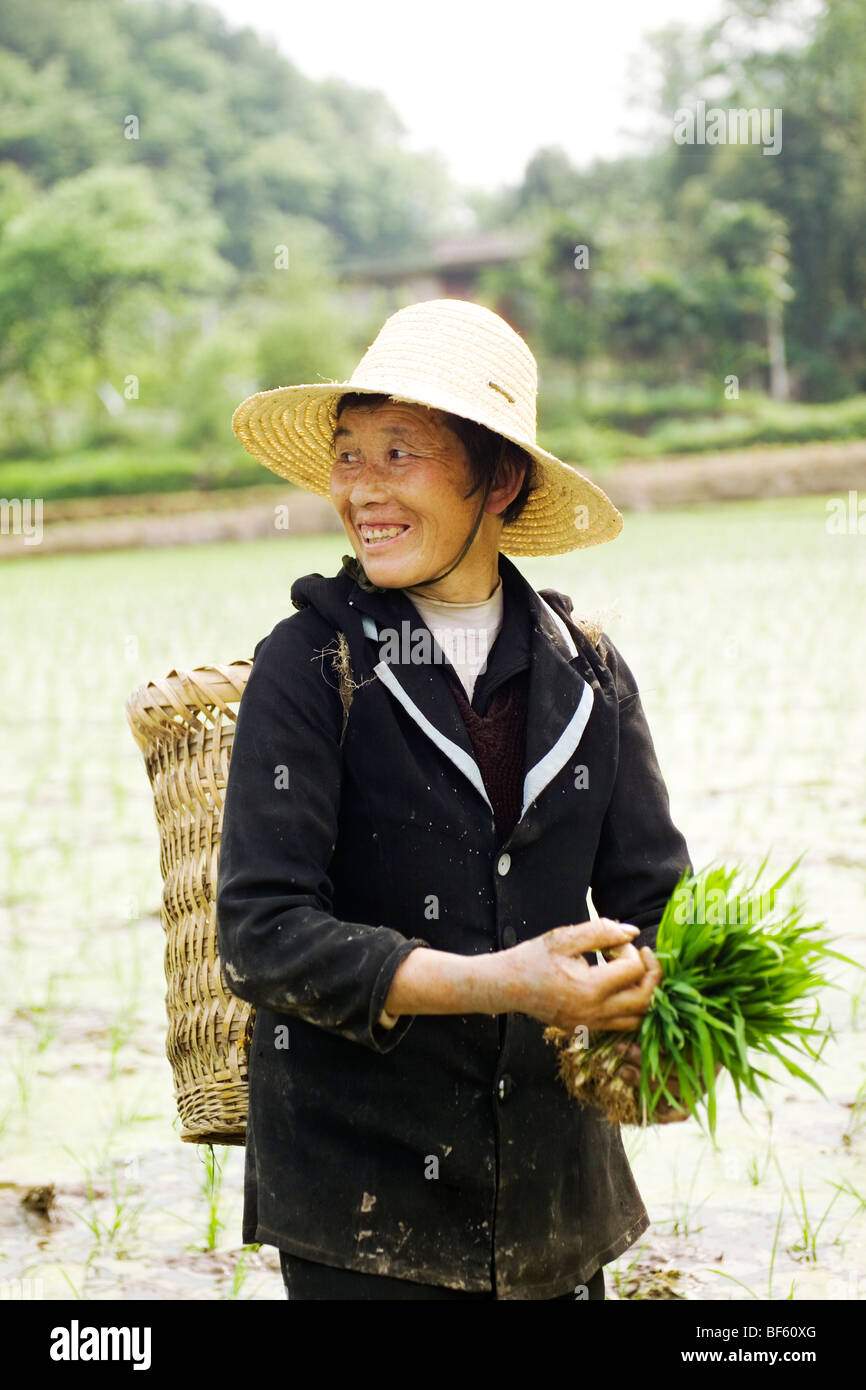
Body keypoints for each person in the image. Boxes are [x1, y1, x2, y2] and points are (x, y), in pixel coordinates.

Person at [216, 298, 695, 1301]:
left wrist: (655, 1007)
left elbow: (658, 900)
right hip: (363, 1214)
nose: (362, 489)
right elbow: (263, 934)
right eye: (349, 455)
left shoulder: (586, 669)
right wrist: (506, 980)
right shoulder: (311, 663)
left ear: (499, 478)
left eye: (400, 453)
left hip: (554, 1205)